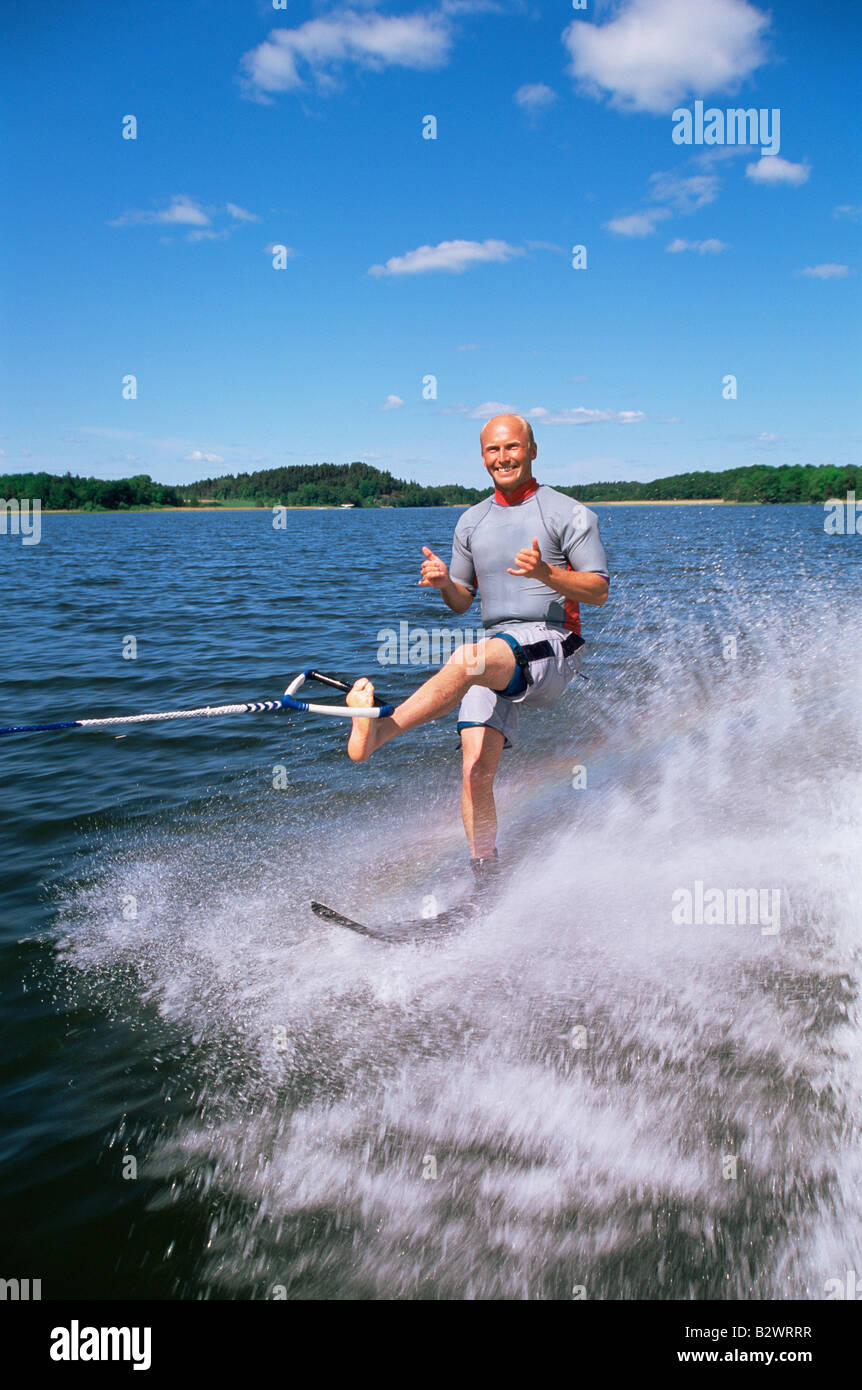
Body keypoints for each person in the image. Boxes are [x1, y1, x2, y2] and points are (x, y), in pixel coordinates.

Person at [346, 413, 609, 889]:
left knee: (467, 659)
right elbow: (462, 602)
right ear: (482, 456)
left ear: (532, 450)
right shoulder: (472, 521)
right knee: (474, 768)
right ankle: (485, 875)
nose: (503, 458)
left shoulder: (569, 513)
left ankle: (382, 729)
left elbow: (598, 590)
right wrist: (445, 582)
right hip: (498, 651)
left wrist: (547, 574)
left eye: (513, 447)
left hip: (554, 644)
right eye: (493, 450)